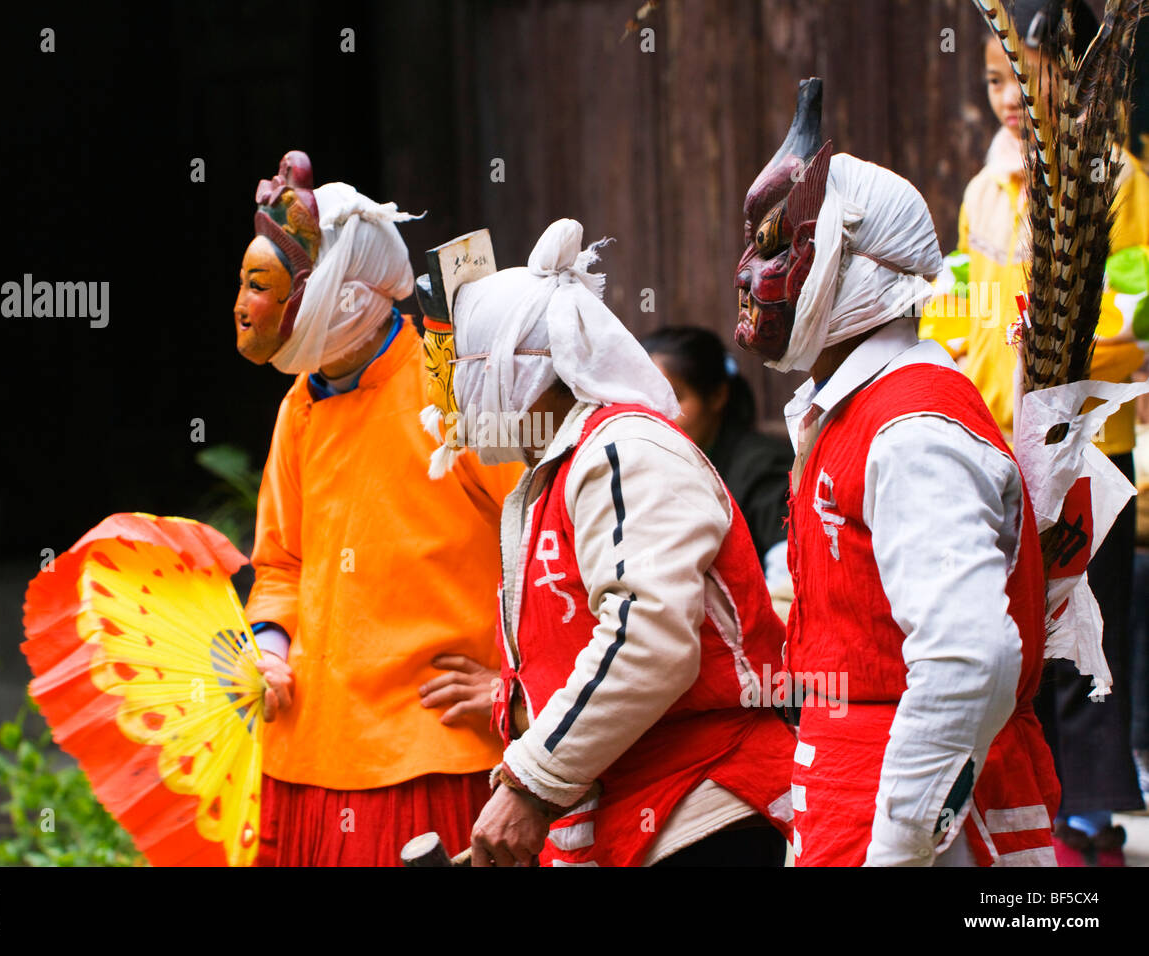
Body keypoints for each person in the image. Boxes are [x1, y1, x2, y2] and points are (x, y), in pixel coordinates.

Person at [738, 77, 1060, 866]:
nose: (751, 272)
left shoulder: (913, 429)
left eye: (779, 246)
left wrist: (901, 843)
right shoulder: (857, 411)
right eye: (752, 245)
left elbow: (967, 659)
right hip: (857, 808)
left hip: (924, 837)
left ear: (855, 265)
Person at [421, 219, 797, 867]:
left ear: (516, 369)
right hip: (635, 820)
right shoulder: (554, 475)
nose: (452, 393)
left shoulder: (624, 452)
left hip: (704, 815)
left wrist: (531, 787)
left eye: (463, 368)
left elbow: (647, 639)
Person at [233, 151, 521, 866]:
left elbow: (544, 535)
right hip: (310, 745)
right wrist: (267, 648)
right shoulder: (299, 406)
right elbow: (280, 562)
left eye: (265, 285)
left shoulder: (453, 379)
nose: (246, 307)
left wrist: (518, 689)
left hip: (435, 748)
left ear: (348, 291)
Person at [918, 0, 1149, 865]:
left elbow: (1134, 306)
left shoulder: (1114, 176)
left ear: (1075, 73)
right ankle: (1035, 796)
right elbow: (962, 314)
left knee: (1086, 617)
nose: (1011, 96)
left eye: (1028, 75)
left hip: (1088, 441)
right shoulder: (984, 187)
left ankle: (1092, 804)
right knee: (1019, 623)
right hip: (1002, 442)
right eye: (994, 80)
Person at [643, 326, 795, 617]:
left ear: (716, 396)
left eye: (673, 399)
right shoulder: (649, 467)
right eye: (647, 400)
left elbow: (788, 578)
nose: (656, 415)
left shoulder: (762, 467)